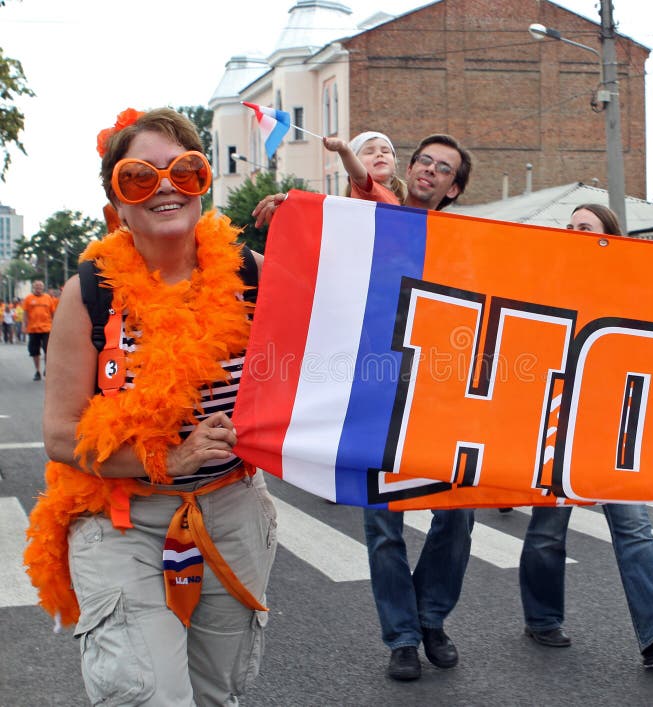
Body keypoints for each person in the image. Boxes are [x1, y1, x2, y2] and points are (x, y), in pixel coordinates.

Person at [24, 107, 278, 706]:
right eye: (140, 176)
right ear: (117, 203)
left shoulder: (251, 273)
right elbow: (62, 438)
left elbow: (353, 312)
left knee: (218, 692)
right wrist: (170, 458)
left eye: (184, 170)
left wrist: (346, 222)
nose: (166, 185)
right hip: (122, 519)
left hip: (233, 509)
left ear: (203, 184)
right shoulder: (88, 293)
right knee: (149, 695)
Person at [254, 134, 475, 682]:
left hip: (441, 393)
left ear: (455, 188)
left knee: (458, 513)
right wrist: (293, 208)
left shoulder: (470, 242)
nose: (428, 171)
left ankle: (431, 618)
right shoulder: (379, 213)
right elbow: (334, 224)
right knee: (384, 523)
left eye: (442, 168)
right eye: (423, 160)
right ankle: (402, 637)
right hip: (376, 389)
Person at [520, 203, 653, 668]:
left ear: (610, 236)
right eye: (571, 227)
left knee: (634, 528)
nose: (576, 232)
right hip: (560, 427)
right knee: (548, 531)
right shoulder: (550, 285)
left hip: (616, 429)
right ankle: (541, 618)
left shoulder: (632, 290)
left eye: (586, 226)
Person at [324, 130, 407, 204]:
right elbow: (359, 176)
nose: (379, 154)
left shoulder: (400, 197)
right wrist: (343, 149)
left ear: (395, 163)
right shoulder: (367, 189)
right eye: (369, 152)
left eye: (385, 151)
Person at [22, 279, 56, 380]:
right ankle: (37, 371)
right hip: (33, 329)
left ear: (43, 288)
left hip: (47, 328)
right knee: (34, 351)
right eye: (37, 287)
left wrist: (55, 326)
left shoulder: (48, 298)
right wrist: (24, 325)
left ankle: (47, 368)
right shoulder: (28, 298)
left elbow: (53, 313)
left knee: (48, 350)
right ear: (33, 288)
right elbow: (25, 313)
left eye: (40, 287)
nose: (38, 289)